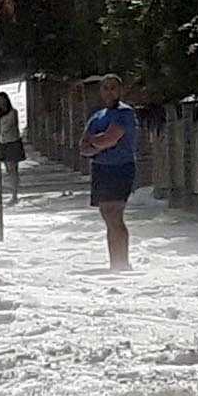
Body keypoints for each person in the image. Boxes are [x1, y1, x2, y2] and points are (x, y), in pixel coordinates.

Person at [81, 76, 141, 271]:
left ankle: (122, 262)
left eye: (113, 88)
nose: (109, 92)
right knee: (107, 215)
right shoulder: (97, 116)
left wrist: (96, 142)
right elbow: (83, 147)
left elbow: (110, 139)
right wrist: (98, 142)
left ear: (120, 90)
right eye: (105, 88)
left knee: (115, 214)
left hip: (120, 167)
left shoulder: (125, 113)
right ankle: (114, 261)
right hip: (100, 168)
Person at [0, 90, 26, 200]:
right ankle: (13, 190)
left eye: (2, 101)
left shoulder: (13, 113)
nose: (1, 103)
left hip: (12, 143)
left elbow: (5, 128)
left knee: (12, 169)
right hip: (3, 143)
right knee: (8, 170)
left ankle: (14, 193)